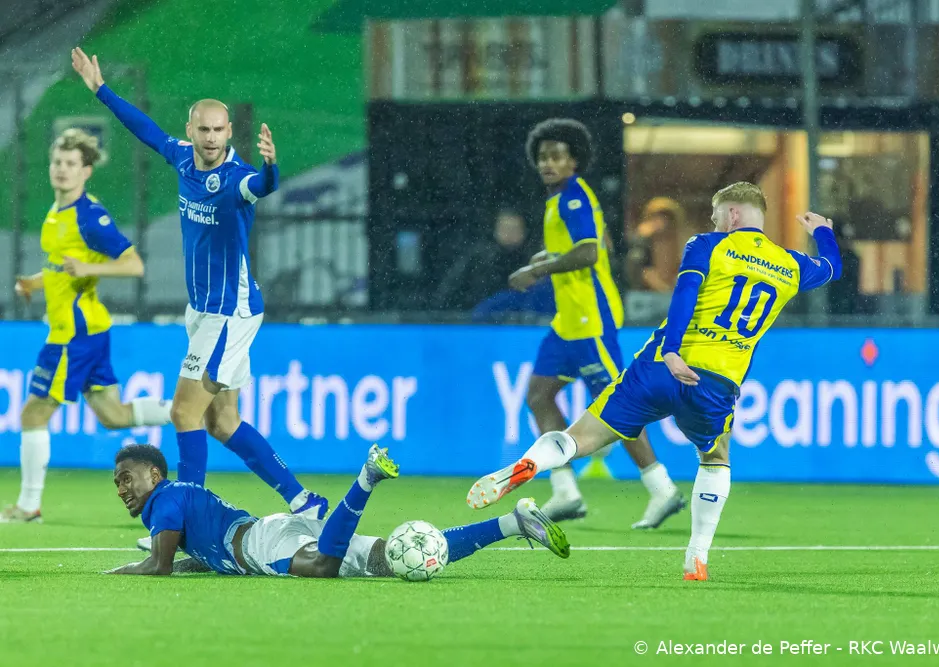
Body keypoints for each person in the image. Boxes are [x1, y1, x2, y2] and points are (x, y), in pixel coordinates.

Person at [468, 182, 843, 581]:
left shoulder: (708, 245)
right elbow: (833, 267)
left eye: (717, 214)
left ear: (733, 214)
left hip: (662, 367)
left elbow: (685, 294)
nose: (714, 222)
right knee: (715, 459)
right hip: (717, 382)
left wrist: (673, 350)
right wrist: (821, 230)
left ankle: (531, 463)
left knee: (582, 437)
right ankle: (696, 557)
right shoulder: (791, 264)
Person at [70, 48, 328, 533]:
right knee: (222, 421)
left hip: (228, 312)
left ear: (230, 134)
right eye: (202, 129)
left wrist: (272, 169)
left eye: (218, 130)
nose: (210, 138)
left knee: (184, 410)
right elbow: (144, 130)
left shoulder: (236, 180)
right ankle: (304, 500)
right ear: (191, 131)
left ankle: (185, 521)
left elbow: (262, 186)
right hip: (204, 310)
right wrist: (101, 90)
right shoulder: (183, 160)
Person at [503, 118, 684, 529]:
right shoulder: (560, 200)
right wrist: (545, 258)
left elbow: (587, 253)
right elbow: (594, 243)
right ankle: (565, 492)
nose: (548, 163)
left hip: (591, 320)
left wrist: (539, 270)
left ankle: (663, 489)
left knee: (617, 406)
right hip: (569, 321)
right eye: (543, 157)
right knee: (538, 396)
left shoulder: (573, 197)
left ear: (574, 161)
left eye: (557, 156)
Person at [1, 129, 173, 524]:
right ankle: (181, 411)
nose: (62, 170)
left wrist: (91, 267)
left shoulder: (89, 216)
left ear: (86, 171)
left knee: (32, 415)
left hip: (72, 334)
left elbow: (134, 264)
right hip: (88, 329)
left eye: (71, 164)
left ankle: (28, 507)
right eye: (57, 162)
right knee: (113, 415)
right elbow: (62, 266)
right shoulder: (56, 211)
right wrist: (35, 281)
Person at [107, 444, 569, 577]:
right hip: (276, 529)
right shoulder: (177, 496)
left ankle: (366, 478)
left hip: (265, 543)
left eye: (127, 478)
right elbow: (192, 554)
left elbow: (158, 565)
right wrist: (199, 563)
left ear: (152, 472)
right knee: (401, 557)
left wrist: (119, 571)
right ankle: (514, 521)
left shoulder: (163, 502)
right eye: (117, 484)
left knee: (323, 566)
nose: (122, 489)